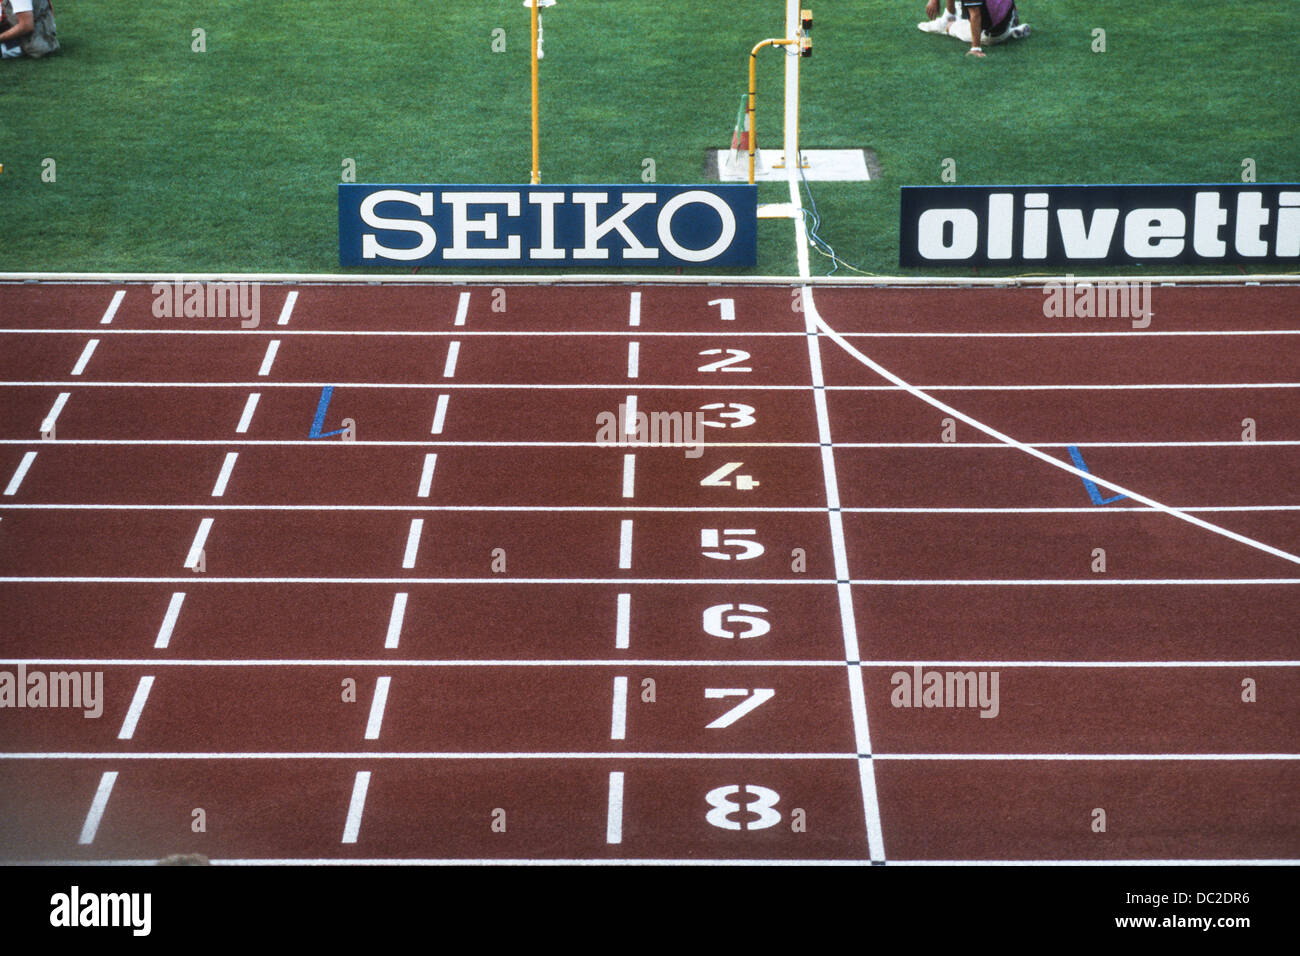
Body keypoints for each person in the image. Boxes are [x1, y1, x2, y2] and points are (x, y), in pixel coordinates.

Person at [918, 0, 1029, 57]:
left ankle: (946, 24)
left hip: (992, 34)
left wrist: (975, 48)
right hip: (1008, 16)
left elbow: (975, 15)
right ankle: (1012, 26)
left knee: (951, 26)